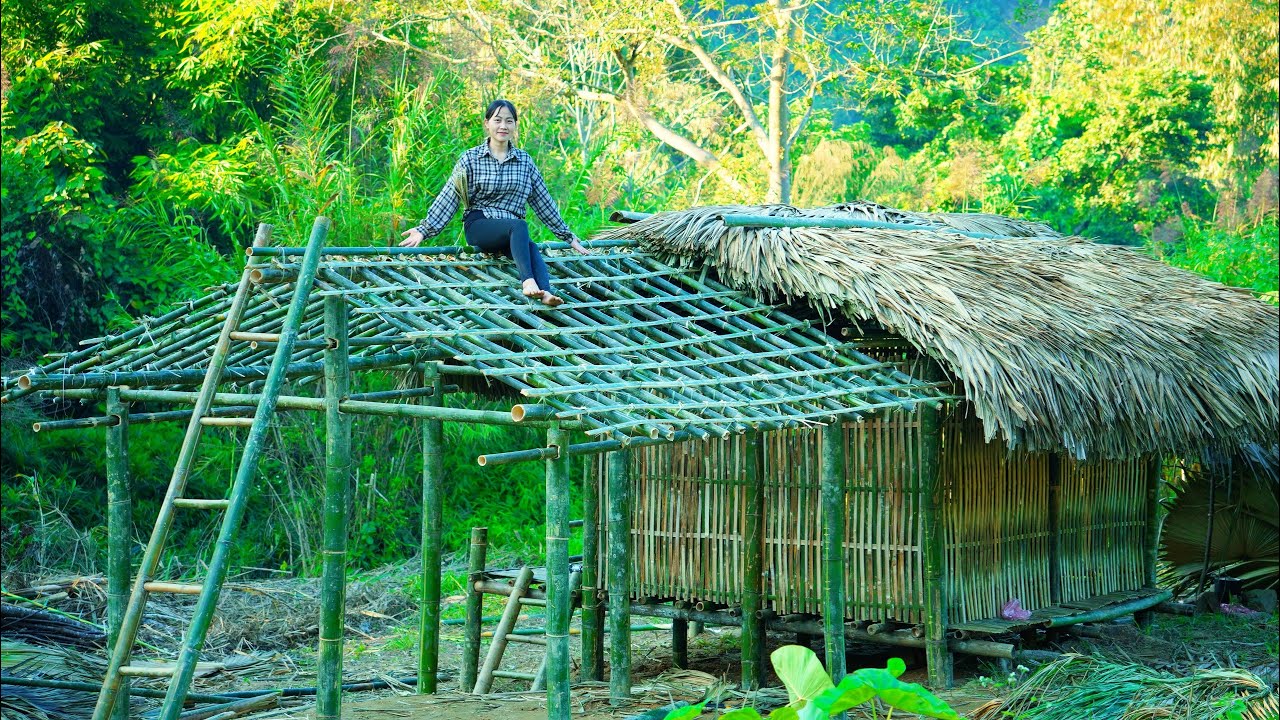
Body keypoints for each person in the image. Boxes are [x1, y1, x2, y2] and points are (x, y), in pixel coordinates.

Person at [399, 99, 587, 306]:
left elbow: (543, 201)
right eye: (497, 120)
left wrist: (567, 236)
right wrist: (424, 230)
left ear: (515, 125)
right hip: (480, 225)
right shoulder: (470, 159)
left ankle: (546, 293)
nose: (503, 126)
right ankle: (528, 282)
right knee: (519, 226)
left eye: (509, 121)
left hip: (511, 232)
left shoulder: (525, 162)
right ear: (487, 123)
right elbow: (450, 196)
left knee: (531, 247)